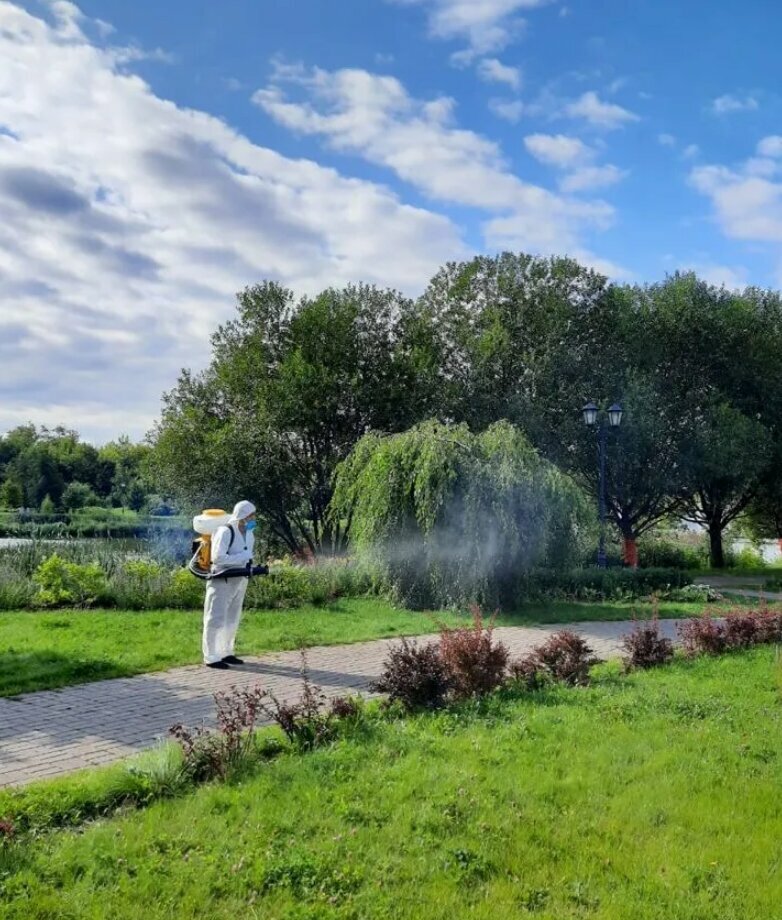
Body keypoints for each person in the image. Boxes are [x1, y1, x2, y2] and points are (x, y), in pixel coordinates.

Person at [202, 499, 257, 669]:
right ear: (242, 516)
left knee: (232, 618)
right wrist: (243, 557)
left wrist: (248, 564)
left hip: (240, 580)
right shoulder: (225, 531)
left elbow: (248, 555)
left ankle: (226, 652)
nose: (254, 518)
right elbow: (217, 558)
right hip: (222, 581)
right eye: (251, 515)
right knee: (215, 617)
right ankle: (211, 656)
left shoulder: (249, 533)